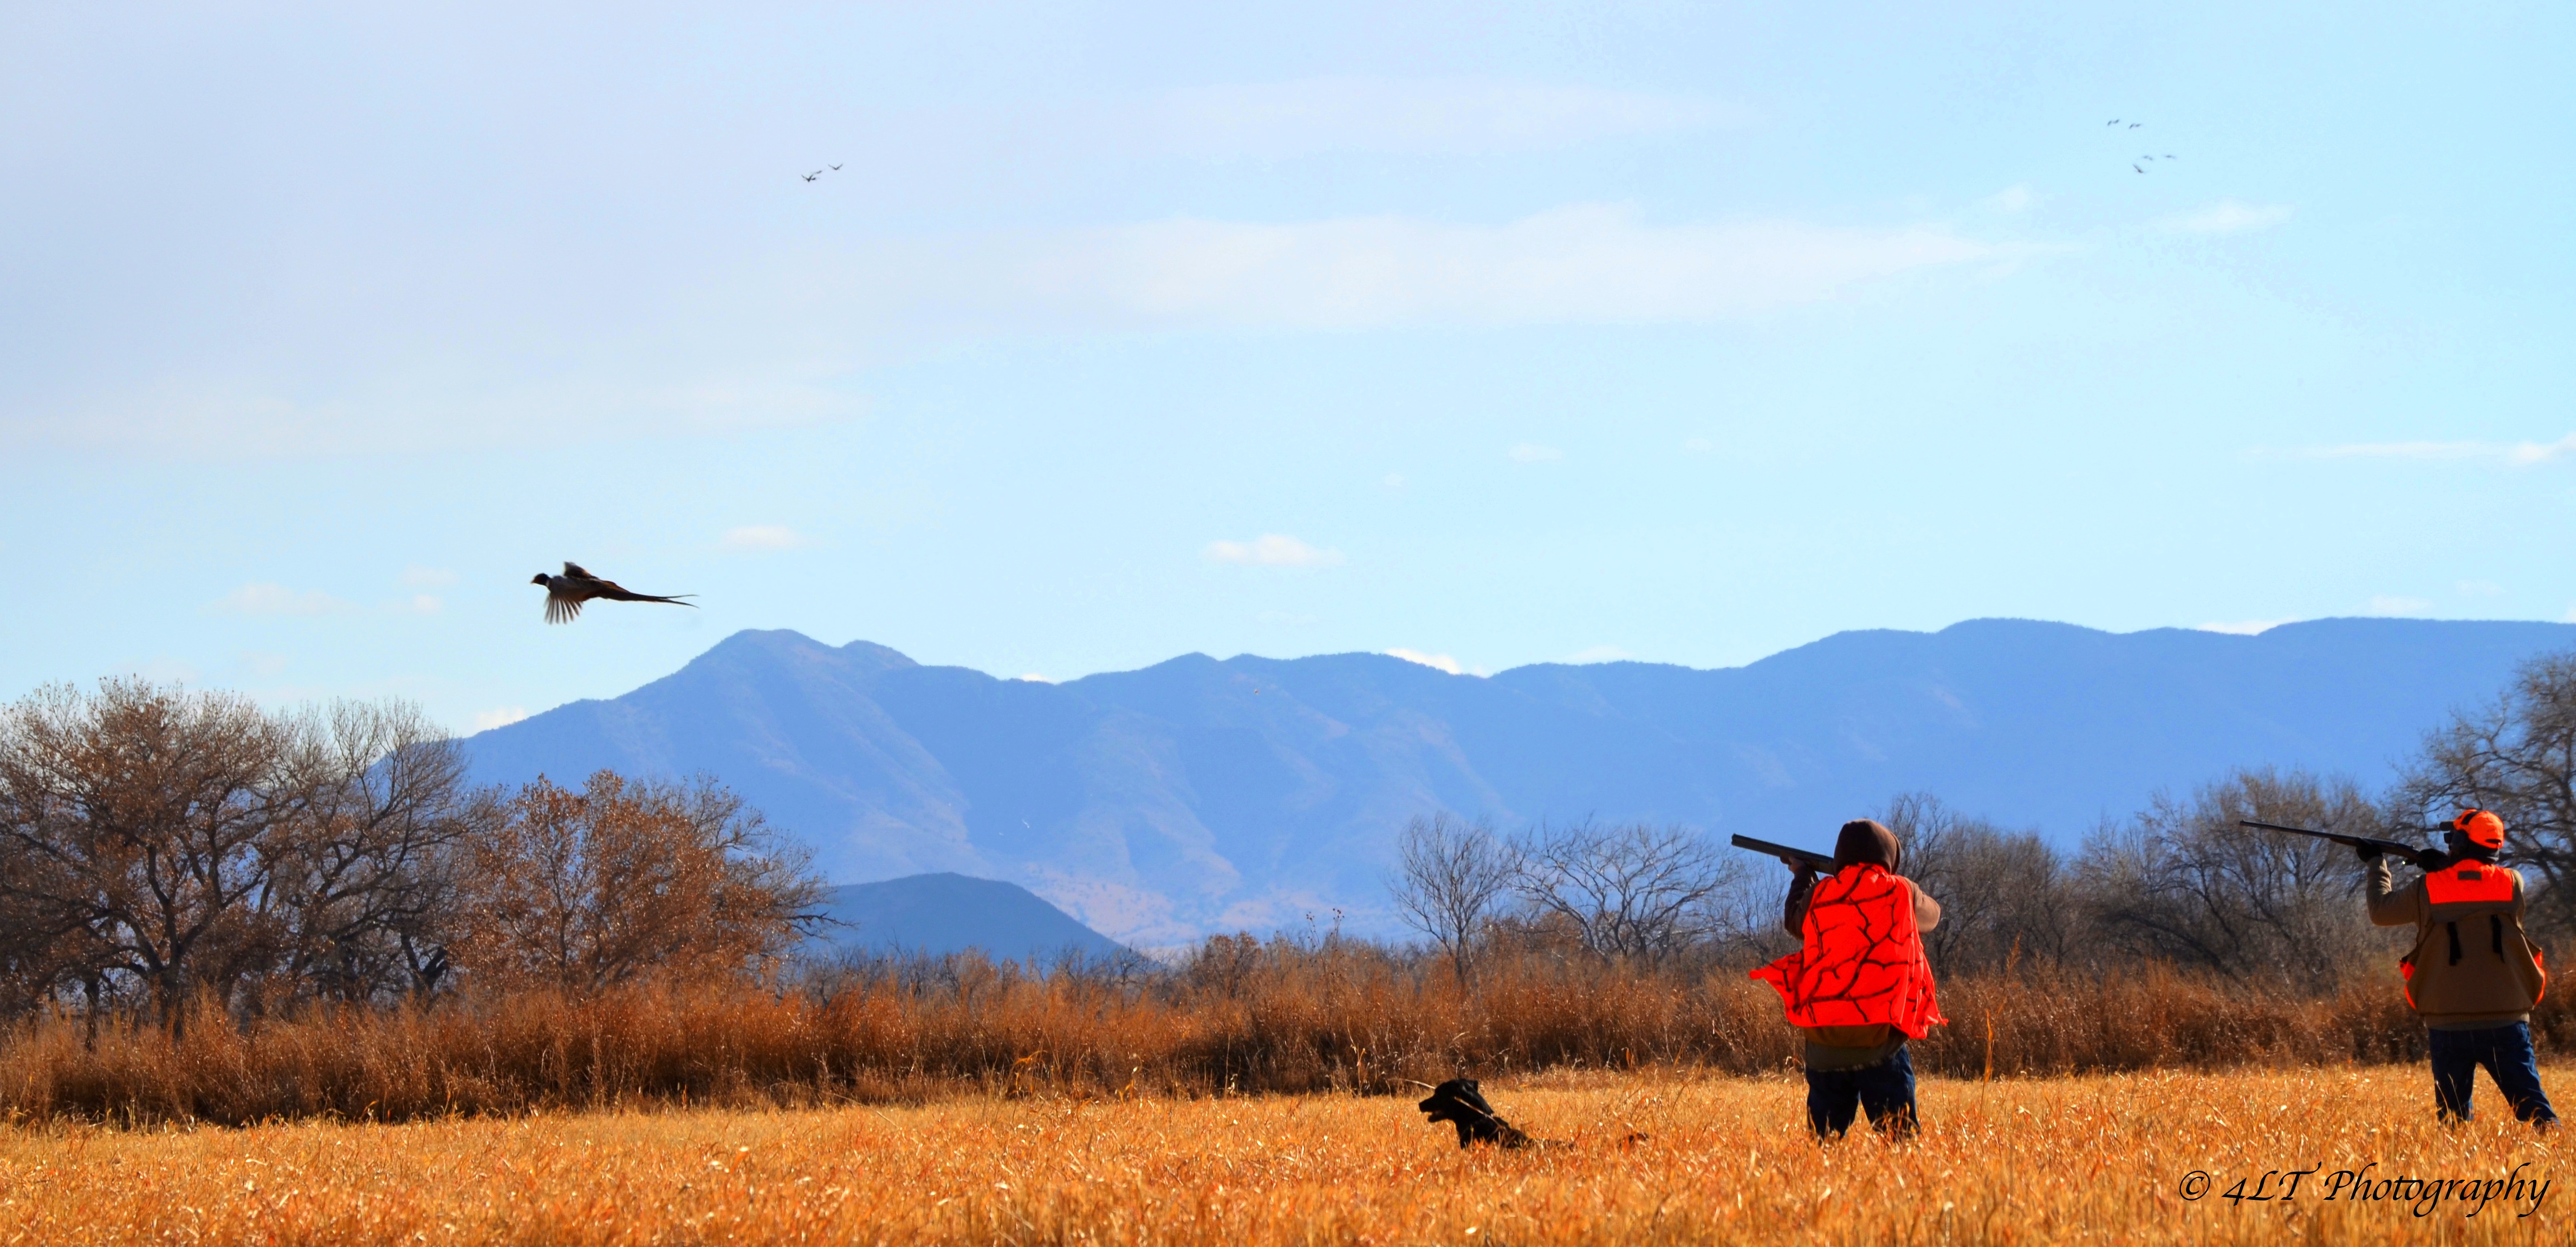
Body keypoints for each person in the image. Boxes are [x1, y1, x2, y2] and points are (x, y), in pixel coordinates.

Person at [2363, 808, 2556, 1131]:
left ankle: (2456, 1177)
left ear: (2462, 842)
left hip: (2447, 1021)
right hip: (2506, 1020)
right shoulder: (2513, 884)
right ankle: (2559, 1159)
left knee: (2454, 1123)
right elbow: (2474, 882)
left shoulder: (2427, 888)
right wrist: (2447, 863)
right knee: (2536, 1112)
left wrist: (2376, 865)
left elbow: (2381, 912)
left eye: (2454, 837)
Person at [1751, 819, 1945, 1140]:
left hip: (1825, 1045)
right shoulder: (1900, 891)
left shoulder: (1821, 894)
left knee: (1823, 1145)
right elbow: (1932, 915)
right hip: (1879, 1043)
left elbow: (1794, 922)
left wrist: (1803, 876)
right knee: (1900, 1144)